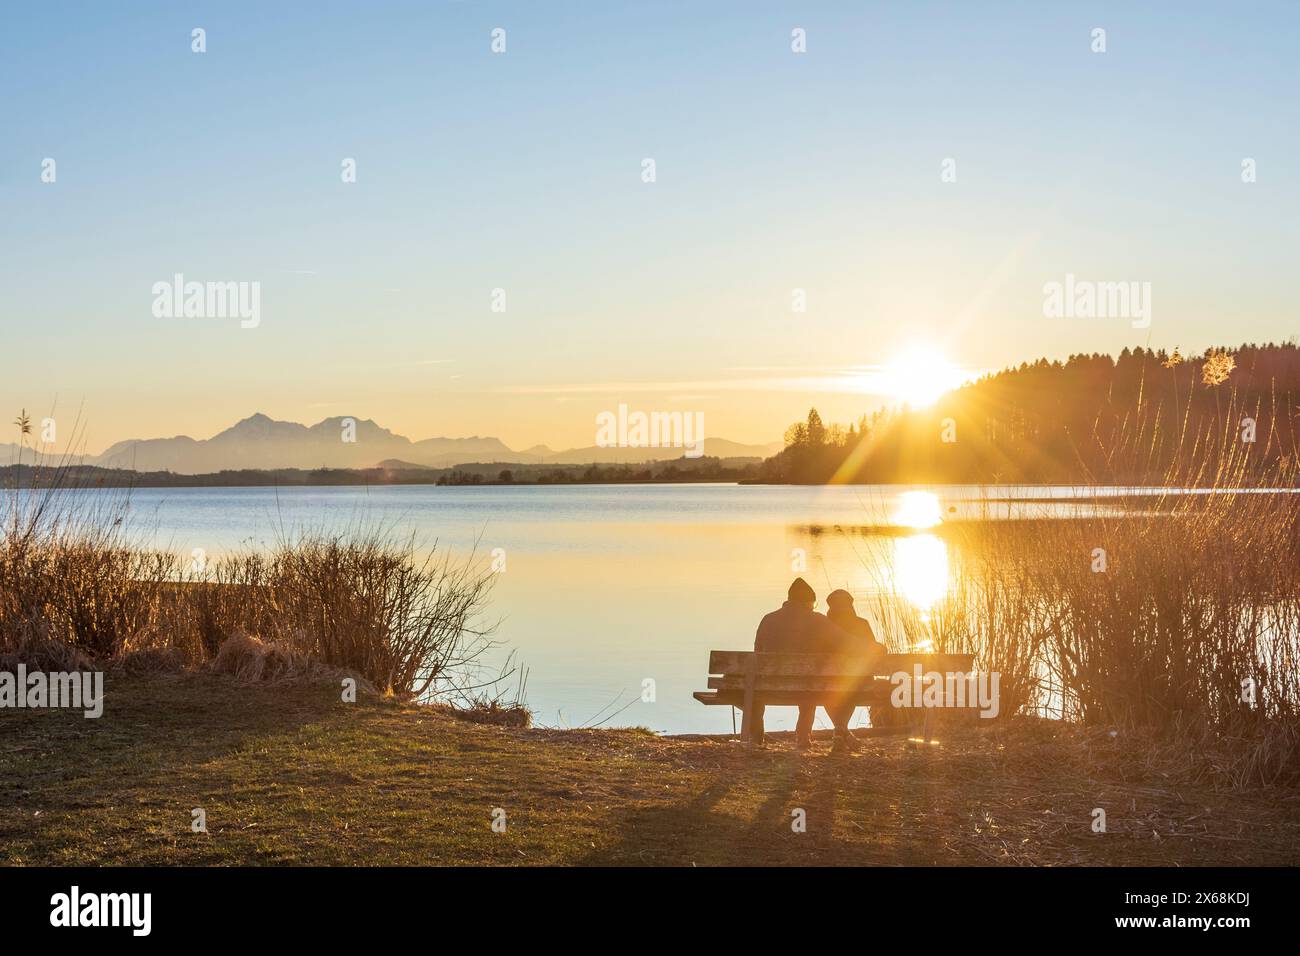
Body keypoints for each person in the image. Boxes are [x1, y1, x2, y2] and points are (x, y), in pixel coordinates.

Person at [750, 577, 846, 748]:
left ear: (789, 600)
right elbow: (845, 642)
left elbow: (757, 653)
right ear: (809, 602)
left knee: (754, 689)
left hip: (768, 687)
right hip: (806, 688)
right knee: (810, 684)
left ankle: (756, 739)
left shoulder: (768, 620)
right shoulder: (818, 620)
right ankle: (803, 737)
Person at [825, 589, 889, 748]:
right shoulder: (862, 624)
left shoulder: (824, 626)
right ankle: (842, 731)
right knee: (853, 684)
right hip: (860, 684)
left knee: (824, 689)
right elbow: (876, 651)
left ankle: (841, 730)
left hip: (826, 684)